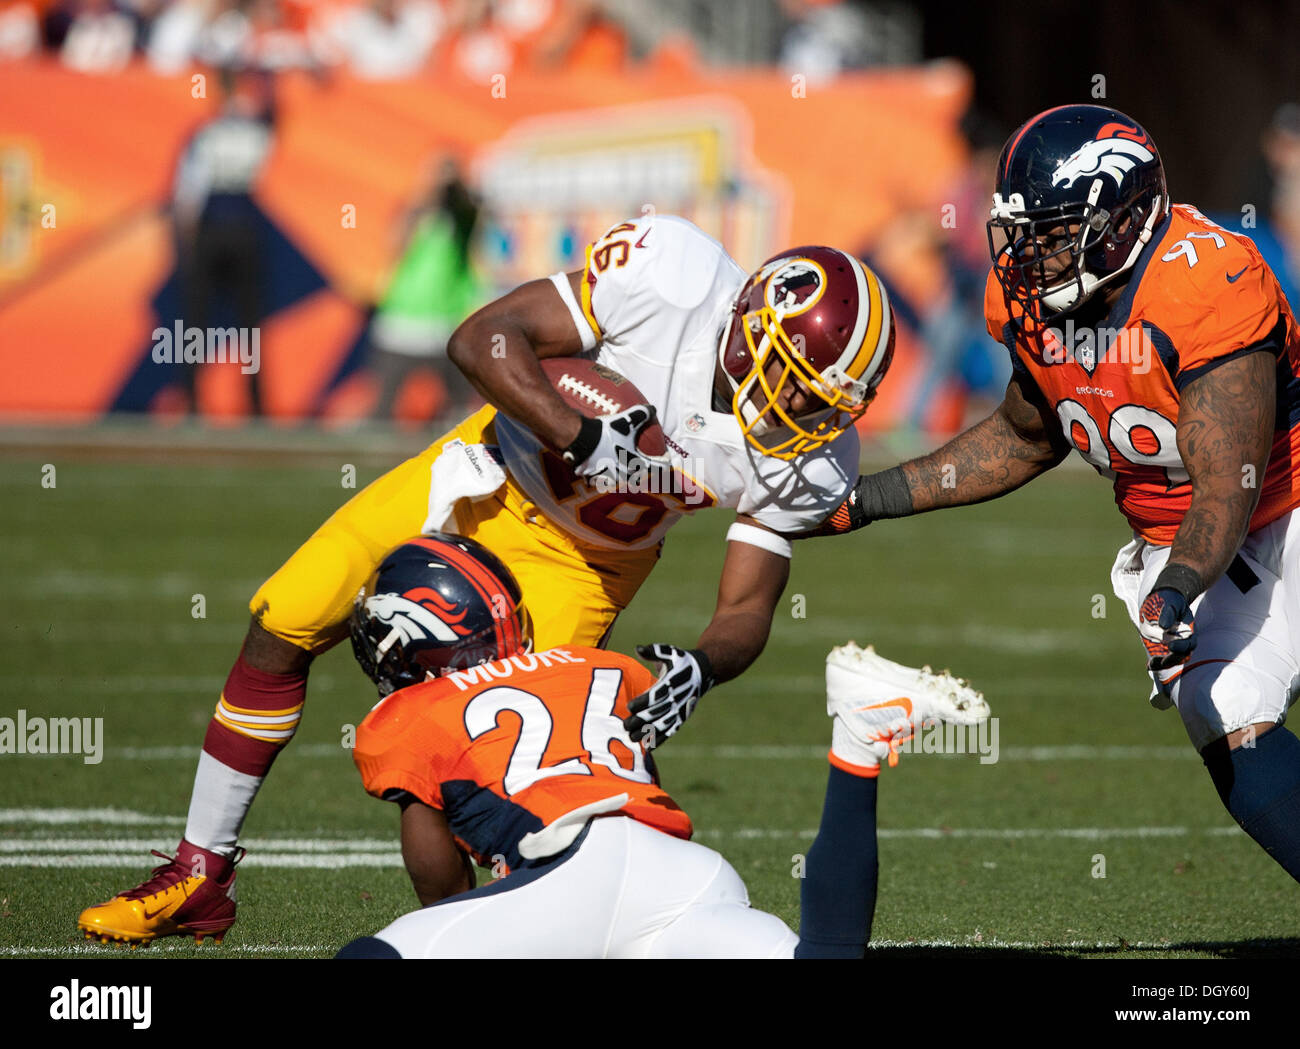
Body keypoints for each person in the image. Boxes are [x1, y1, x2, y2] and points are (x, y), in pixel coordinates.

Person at [76, 212, 896, 946]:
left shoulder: (811, 453)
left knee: (470, 765)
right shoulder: (671, 275)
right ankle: (199, 872)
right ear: (754, 325)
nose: (806, 414)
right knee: (285, 614)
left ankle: (466, 934)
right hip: (484, 469)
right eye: (795, 380)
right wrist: (582, 437)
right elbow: (481, 339)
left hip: (587, 564)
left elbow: (747, 604)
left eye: (826, 403)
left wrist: (703, 664)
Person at [802, 104, 1300, 886]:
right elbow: (1025, 436)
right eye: (1024, 230)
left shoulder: (1204, 283)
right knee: (1223, 700)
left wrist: (1174, 587)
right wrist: (866, 499)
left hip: (1281, 510)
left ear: (1123, 218)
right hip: (1202, 552)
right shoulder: (1036, 302)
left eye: (1057, 230)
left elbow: (1226, 482)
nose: (1031, 253)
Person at [334, 534, 987, 959]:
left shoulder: (409, 712)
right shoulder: (594, 664)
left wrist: (483, 914)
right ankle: (856, 740)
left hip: (565, 876)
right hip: (684, 873)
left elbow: (439, 880)